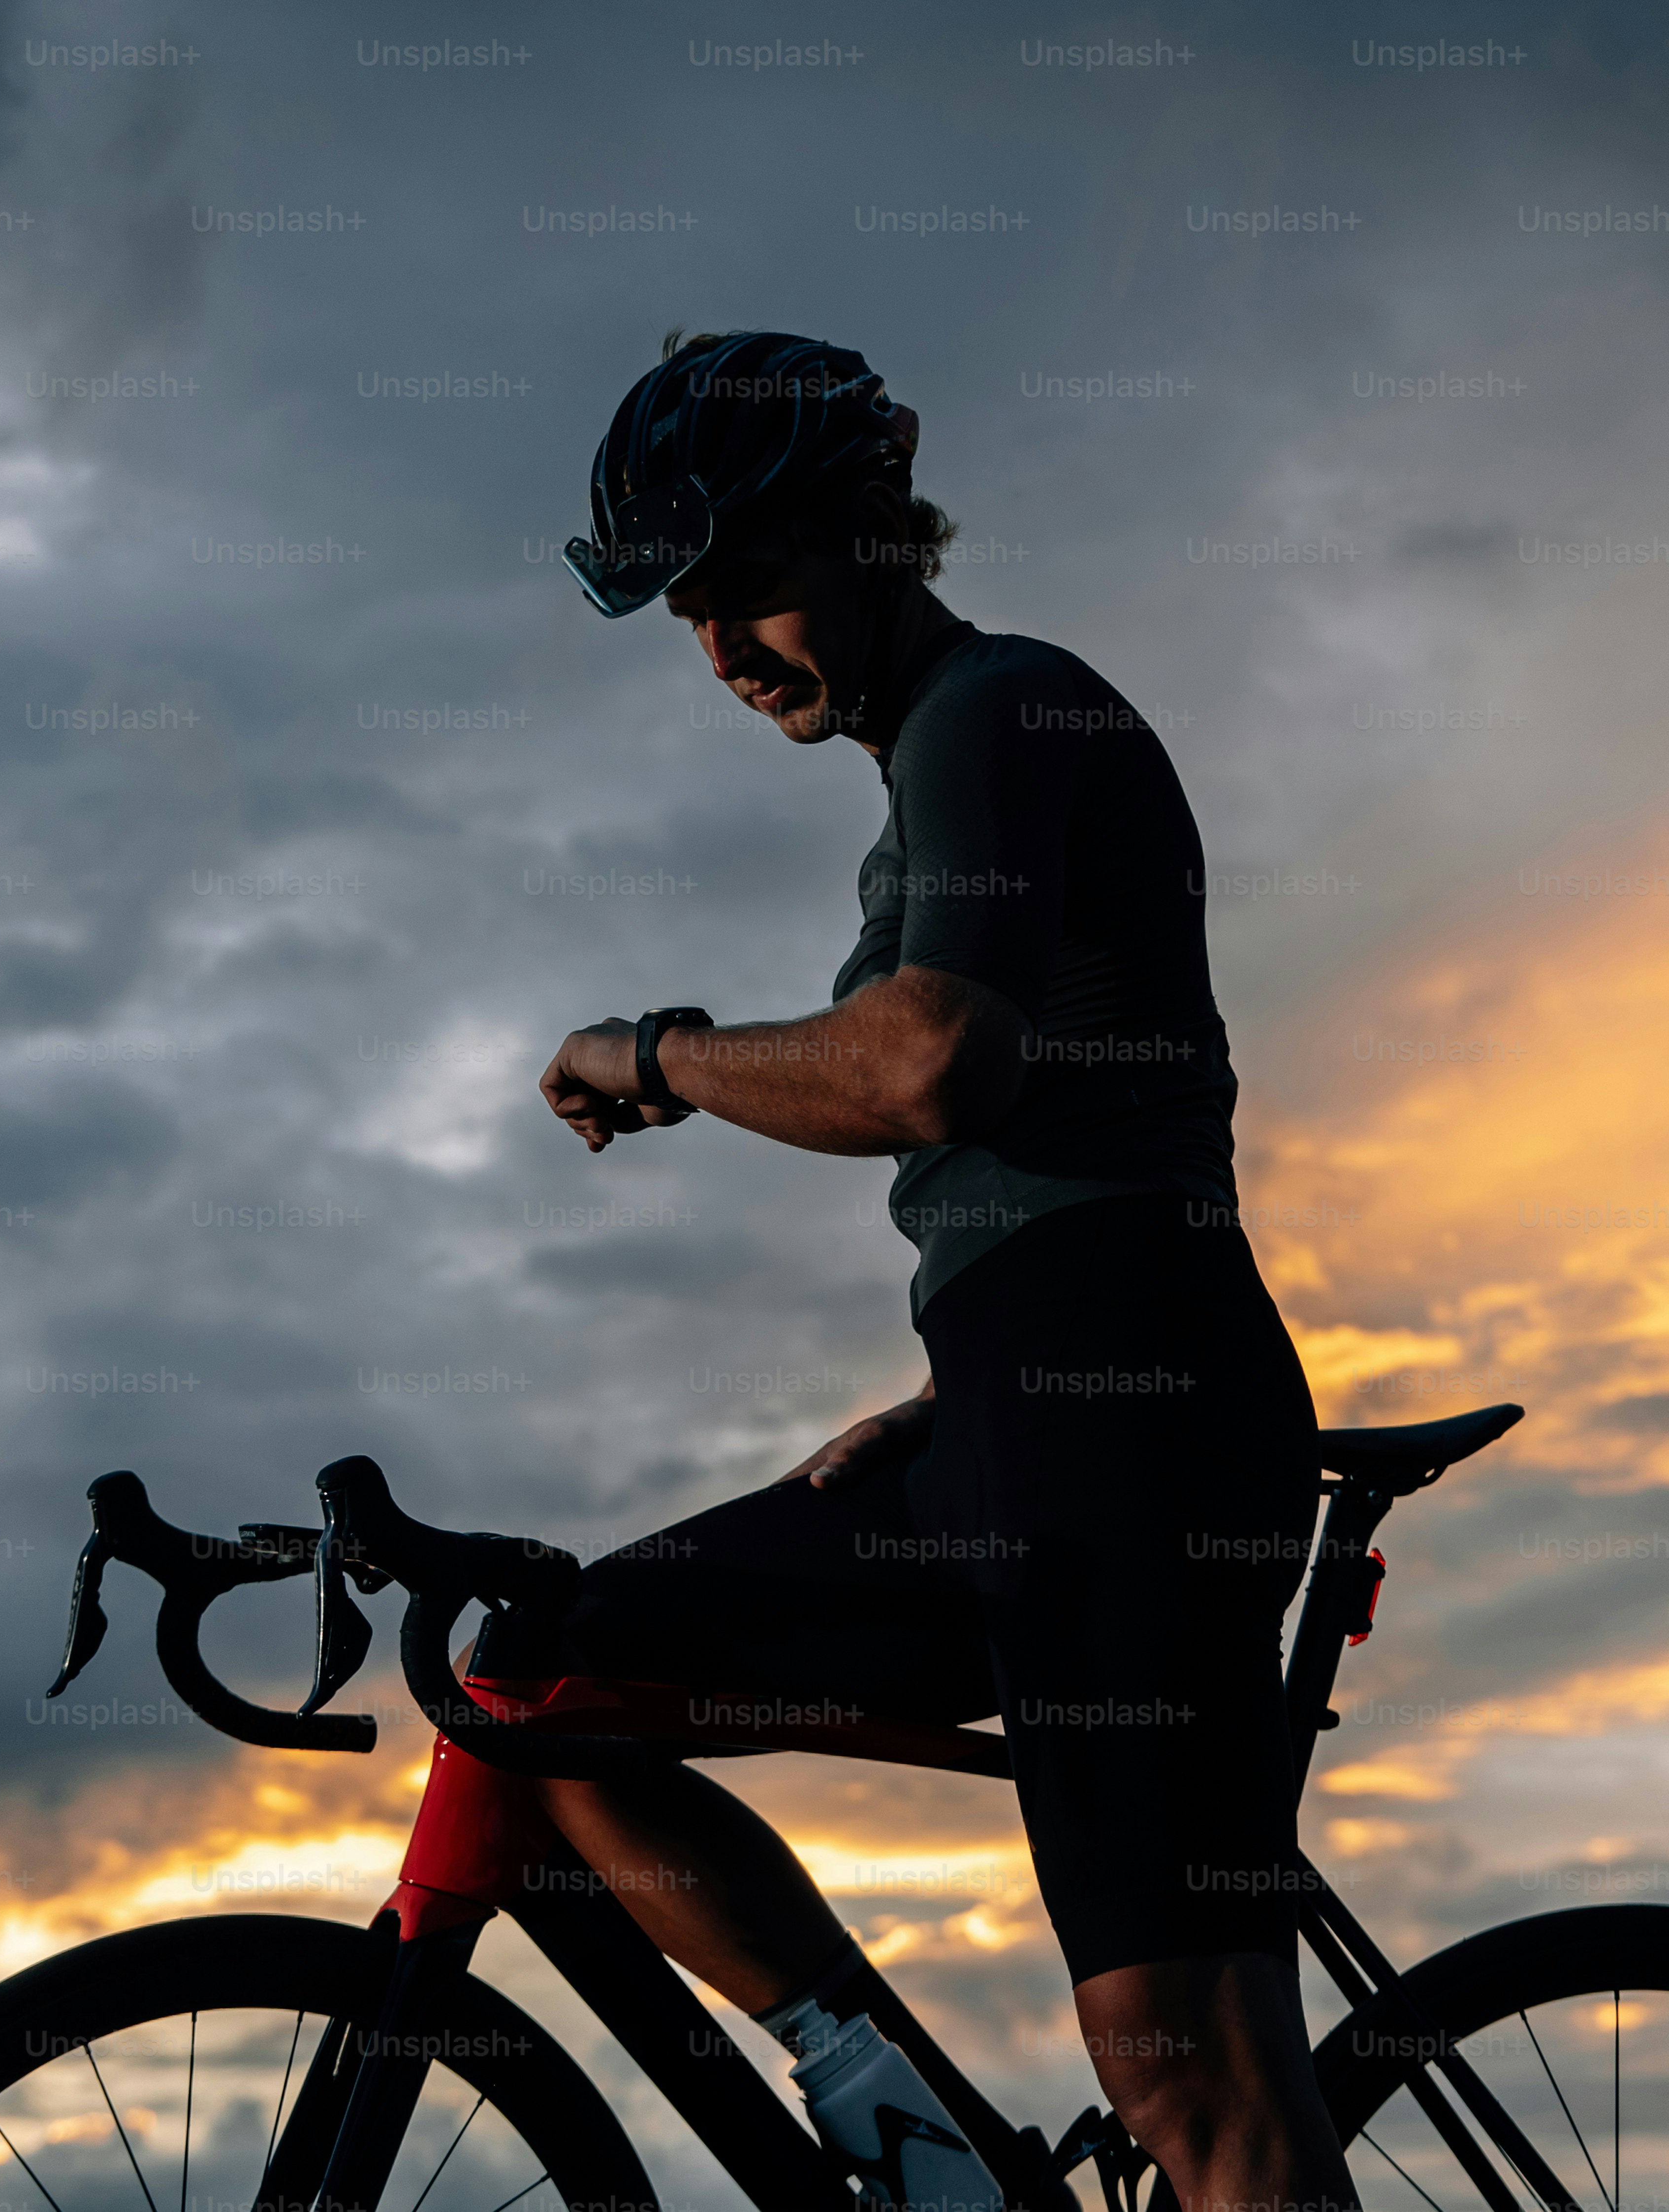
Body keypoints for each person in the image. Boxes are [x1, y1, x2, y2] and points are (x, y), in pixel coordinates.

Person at [510, 329, 1354, 2212]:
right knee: (551, 1687)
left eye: (751, 585)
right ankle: (905, 2131)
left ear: (878, 527)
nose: (723, 647)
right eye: (687, 611)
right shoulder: (937, 766)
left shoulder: (1000, 706)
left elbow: (925, 1061)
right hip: (1040, 1415)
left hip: (1128, 1434)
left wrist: (653, 1054)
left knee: (1196, 2092)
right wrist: (952, 1397)